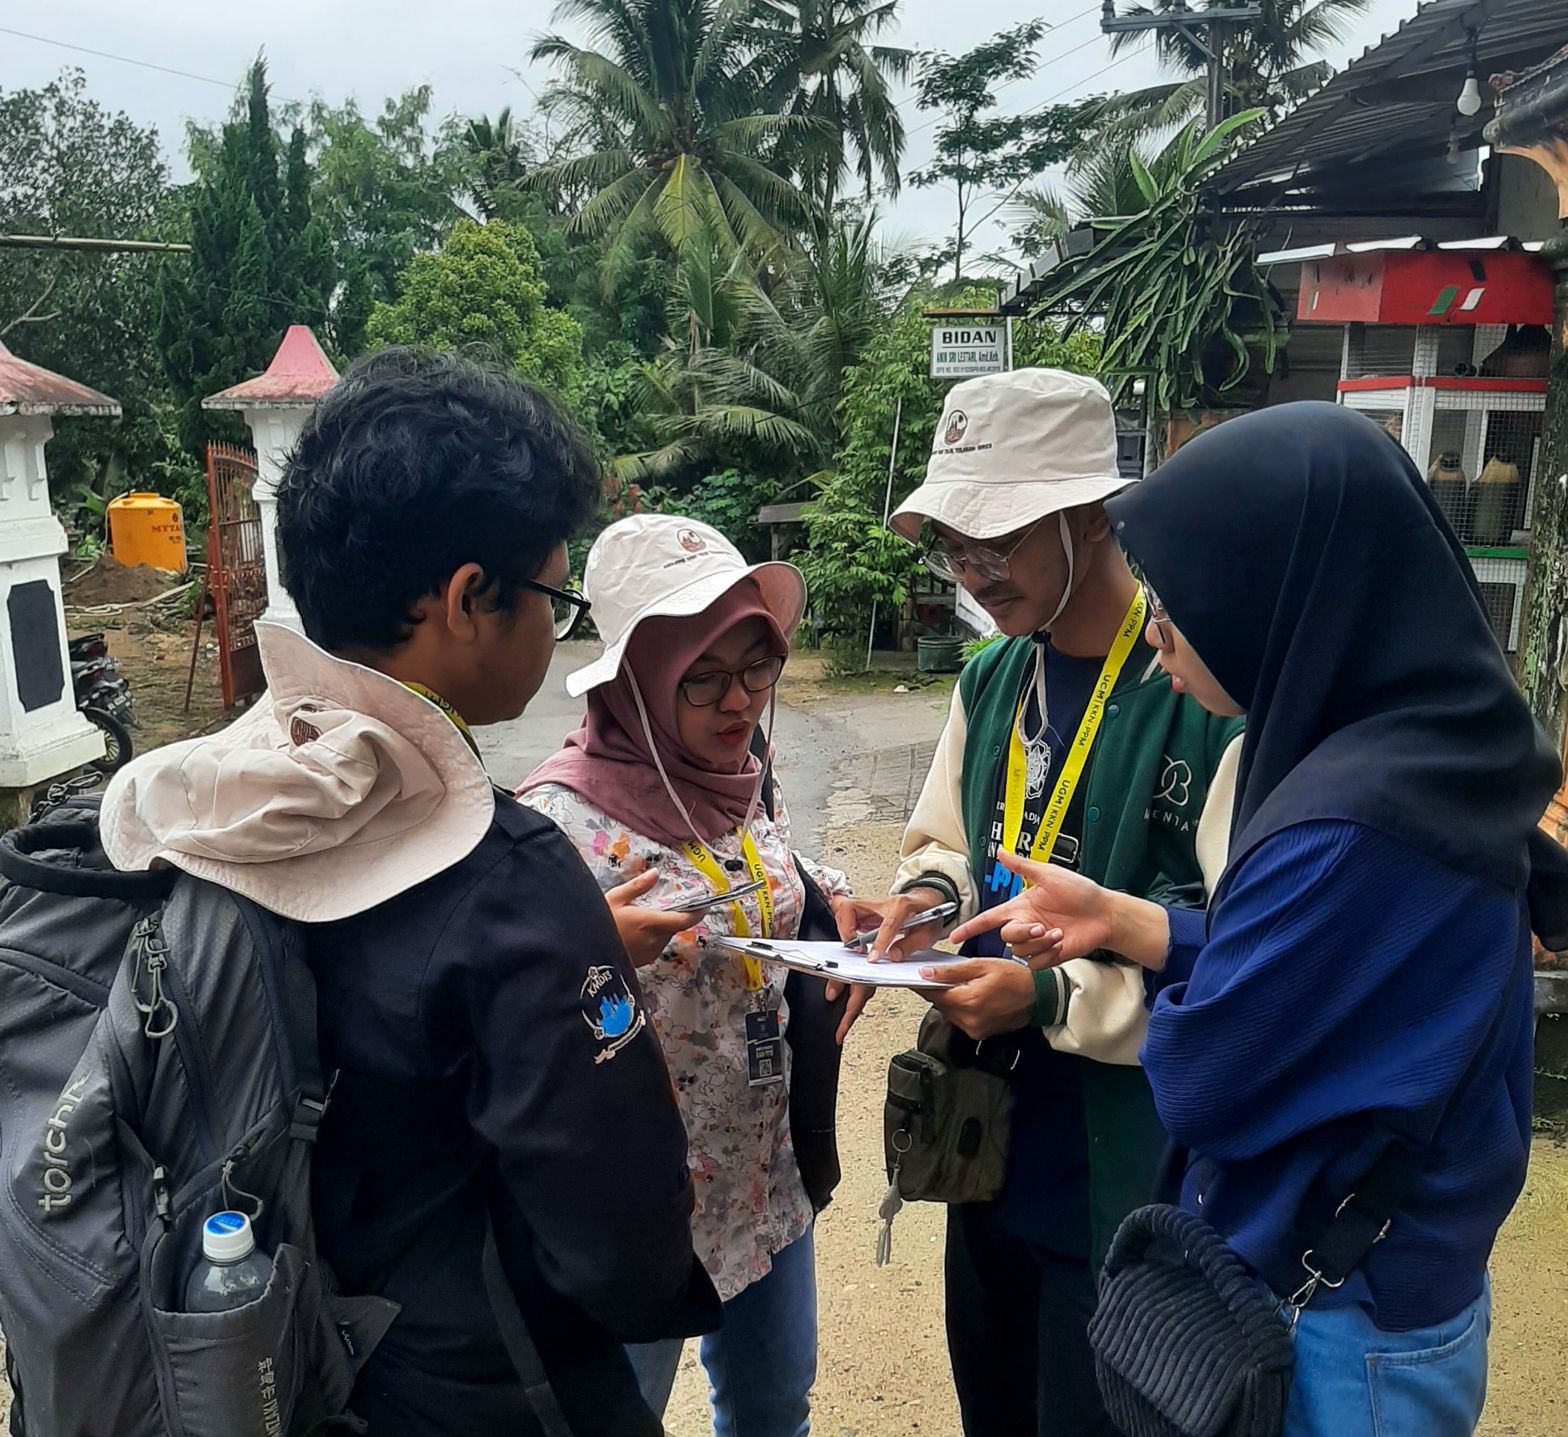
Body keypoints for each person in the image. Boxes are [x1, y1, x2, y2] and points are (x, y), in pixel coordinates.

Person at [100, 349, 719, 1436]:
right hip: (485, 1387)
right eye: (553, 598)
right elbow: (619, 1243)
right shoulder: (509, 879)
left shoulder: (213, 803)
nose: (553, 629)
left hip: (262, 1359)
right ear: (467, 600)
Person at [953, 401, 1568, 1436]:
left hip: (1346, 1329)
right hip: (1403, 1284)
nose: (1158, 630)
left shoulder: (1344, 823)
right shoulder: (1430, 749)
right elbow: (1332, 972)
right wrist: (1136, 924)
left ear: (1274, 594)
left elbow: (1205, 1078)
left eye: (1180, 600)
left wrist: (1057, 999)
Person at [837, 368, 1243, 1437]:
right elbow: (952, 842)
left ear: (1092, 518)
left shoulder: (1198, 694)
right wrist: (928, 898)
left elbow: (1245, 955)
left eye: (998, 541)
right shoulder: (990, 680)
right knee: (995, 1405)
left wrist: (1051, 998)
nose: (972, 572)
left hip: (1126, 1160)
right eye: (951, 546)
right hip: (987, 1148)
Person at [521, 513, 853, 1437]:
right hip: (643, 1205)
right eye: (702, 676)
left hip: (764, 1173)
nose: (737, 700)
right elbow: (511, 1024)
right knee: (621, 1420)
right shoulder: (556, 824)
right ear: (636, 680)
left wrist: (834, 901)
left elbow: (766, 866)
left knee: (775, 1402)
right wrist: (591, 954)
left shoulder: (743, 772)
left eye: (756, 666)